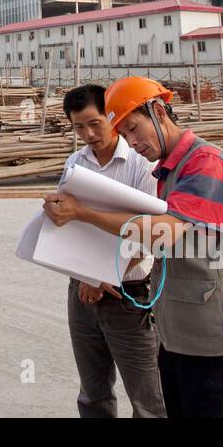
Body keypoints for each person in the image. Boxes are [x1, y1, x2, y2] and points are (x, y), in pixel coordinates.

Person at [73, 76, 223, 418]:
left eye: (133, 129)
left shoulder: (206, 164)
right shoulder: (168, 171)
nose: (132, 142)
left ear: (159, 111)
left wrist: (83, 212)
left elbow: (162, 233)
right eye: (125, 135)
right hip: (177, 330)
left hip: (217, 334)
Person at [41, 84, 166, 418]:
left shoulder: (142, 163)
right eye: (79, 127)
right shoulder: (76, 162)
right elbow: (69, 222)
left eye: (95, 123)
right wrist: (54, 212)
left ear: (111, 116)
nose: (89, 134)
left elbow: (151, 233)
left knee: (148, 396)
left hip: (128, 293)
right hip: (81, 291)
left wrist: (102, 276)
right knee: (93, 392)